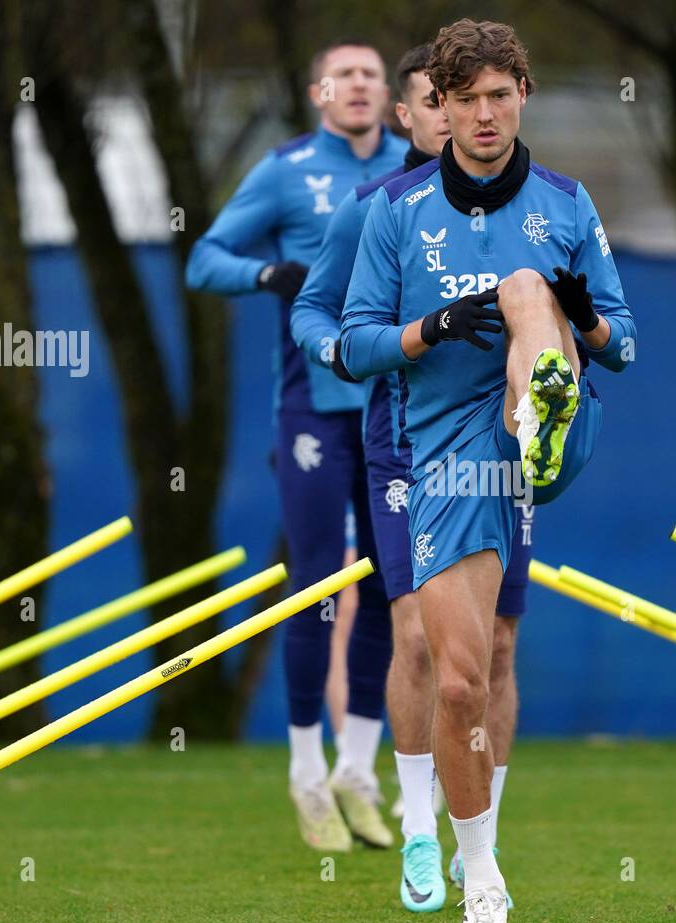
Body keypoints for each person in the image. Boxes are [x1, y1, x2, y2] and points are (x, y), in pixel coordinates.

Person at [341, 20, 634, 923]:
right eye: (462, 98)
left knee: (524, 285)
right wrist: (432, 327)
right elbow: (353, 347)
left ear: (523, 96)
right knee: (463, 682)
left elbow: (625, 345)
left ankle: (539, 406)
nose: (481, 114)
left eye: (498, 95)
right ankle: (484, 883)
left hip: (551, 436)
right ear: (438, 107)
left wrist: (580, 317)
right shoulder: (396, 209)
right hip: (455, 461)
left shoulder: (565, 201)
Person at [292, 44, 535, 915]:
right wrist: (362, 353)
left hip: (503, 451)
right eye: (438, 101)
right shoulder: (377, 209)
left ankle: (486, 843)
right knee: (421, 639)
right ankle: (421, 826)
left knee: (499, 645)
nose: (457, 115)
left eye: (474, 98)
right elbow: (316, 313)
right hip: (402, 447)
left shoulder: (533, 206)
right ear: (409, 116)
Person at [186, 40, 407, 853]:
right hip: (312, 410)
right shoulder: (285, 170)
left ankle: (357, 767)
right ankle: (305, 771)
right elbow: (203, 259)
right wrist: (266, 275)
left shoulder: (417, 166)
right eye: (343, 75)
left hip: (396, 403)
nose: (358, 86)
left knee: (389, 583)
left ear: (391, 95)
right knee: (317, 584)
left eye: (371, 76)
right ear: (319, 91)